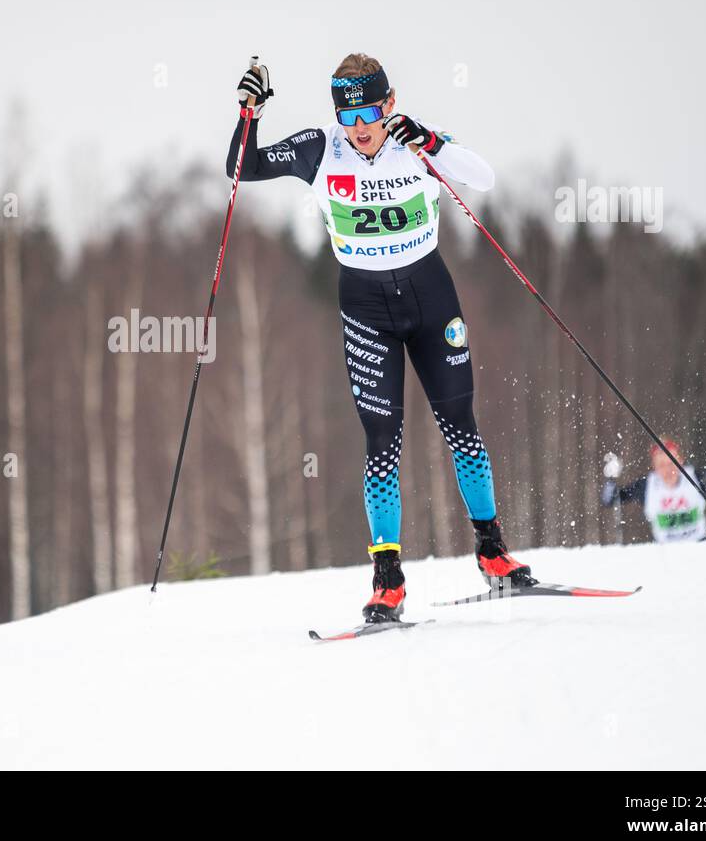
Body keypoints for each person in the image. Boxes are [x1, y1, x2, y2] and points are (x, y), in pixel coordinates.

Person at [226, 53, 535, 624]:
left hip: (431, 298)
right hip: (366, 309)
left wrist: (433, 144)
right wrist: (250, 114)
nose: (360, 126)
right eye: (349, 115)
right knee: (381, 437)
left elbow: (484, 178)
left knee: (459, 422)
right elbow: (240, 168)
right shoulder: (323, 149)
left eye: (369, 111)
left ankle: (493, 554)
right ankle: (387, 581)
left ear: (388, 103)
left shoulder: (411, 142)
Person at [600, 440, 706, 543]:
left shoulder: (695, 477)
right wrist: (610, 480)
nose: (668, 470)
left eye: (671, 463)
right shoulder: (646, 485)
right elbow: (610, 500)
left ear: (680, 460)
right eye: (661, 465)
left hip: (699, 545)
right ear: (654, 466)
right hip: (664, 554)